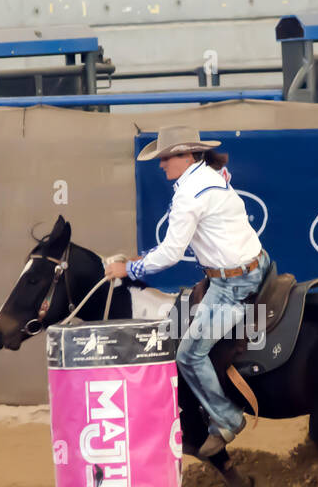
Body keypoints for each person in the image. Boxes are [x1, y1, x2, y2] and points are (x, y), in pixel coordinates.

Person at [104, 125, 269, 459]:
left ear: (185, 155)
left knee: (188, 353)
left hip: (233, 284)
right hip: (256, 263)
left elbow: (169, 255)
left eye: (165, 158)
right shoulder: (213, 175)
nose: (161, 165)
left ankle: (226, 417)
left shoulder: (189, 196)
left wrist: (130, 269)